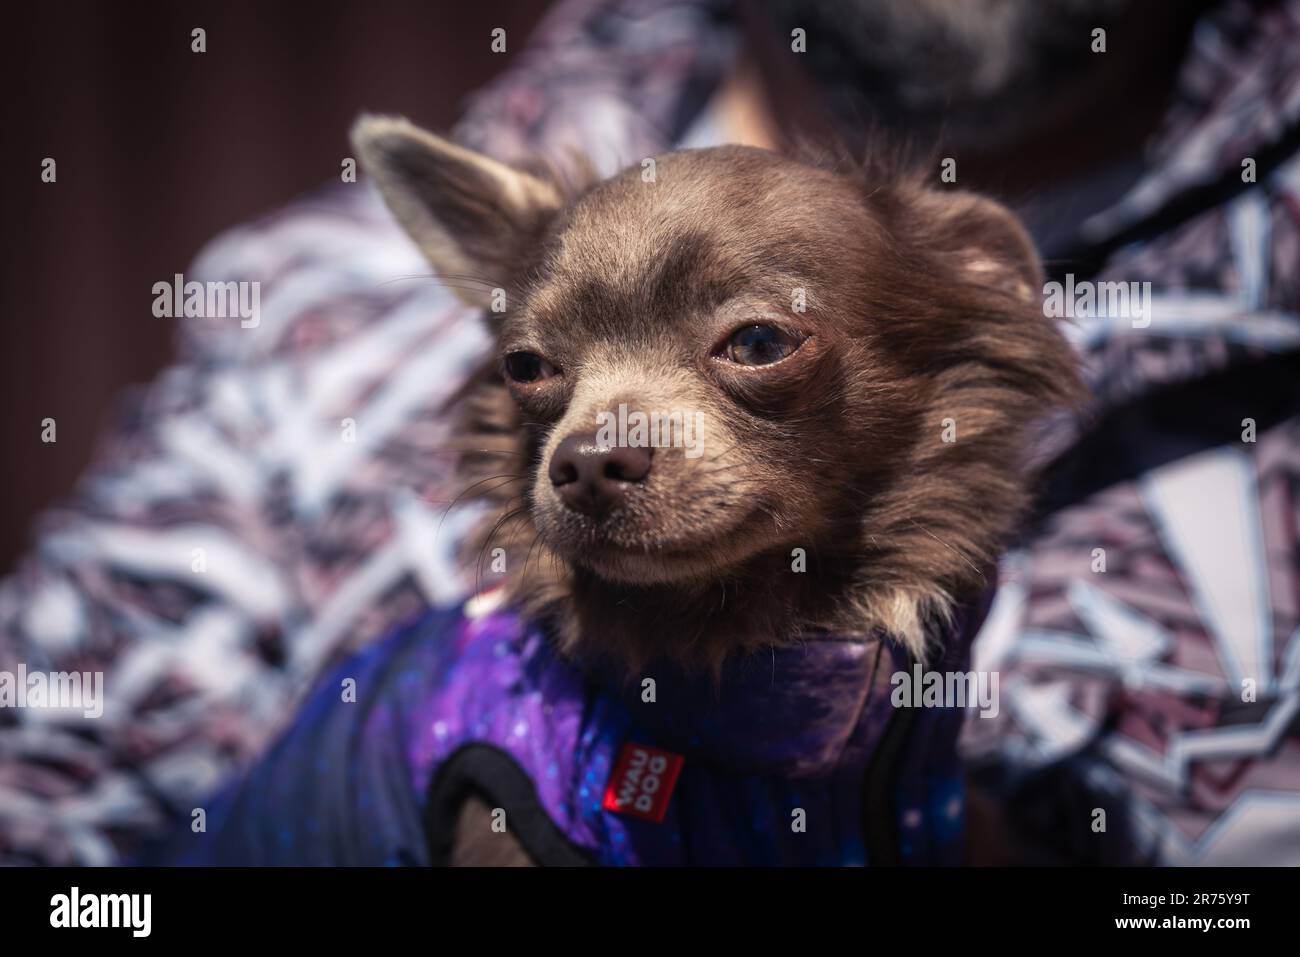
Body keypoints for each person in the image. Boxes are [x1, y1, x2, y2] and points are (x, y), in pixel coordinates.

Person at [2, 0, 1298, 865]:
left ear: (985, 290)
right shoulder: (317, 311)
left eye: (754, 345)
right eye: (535, 372)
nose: (595, 439)